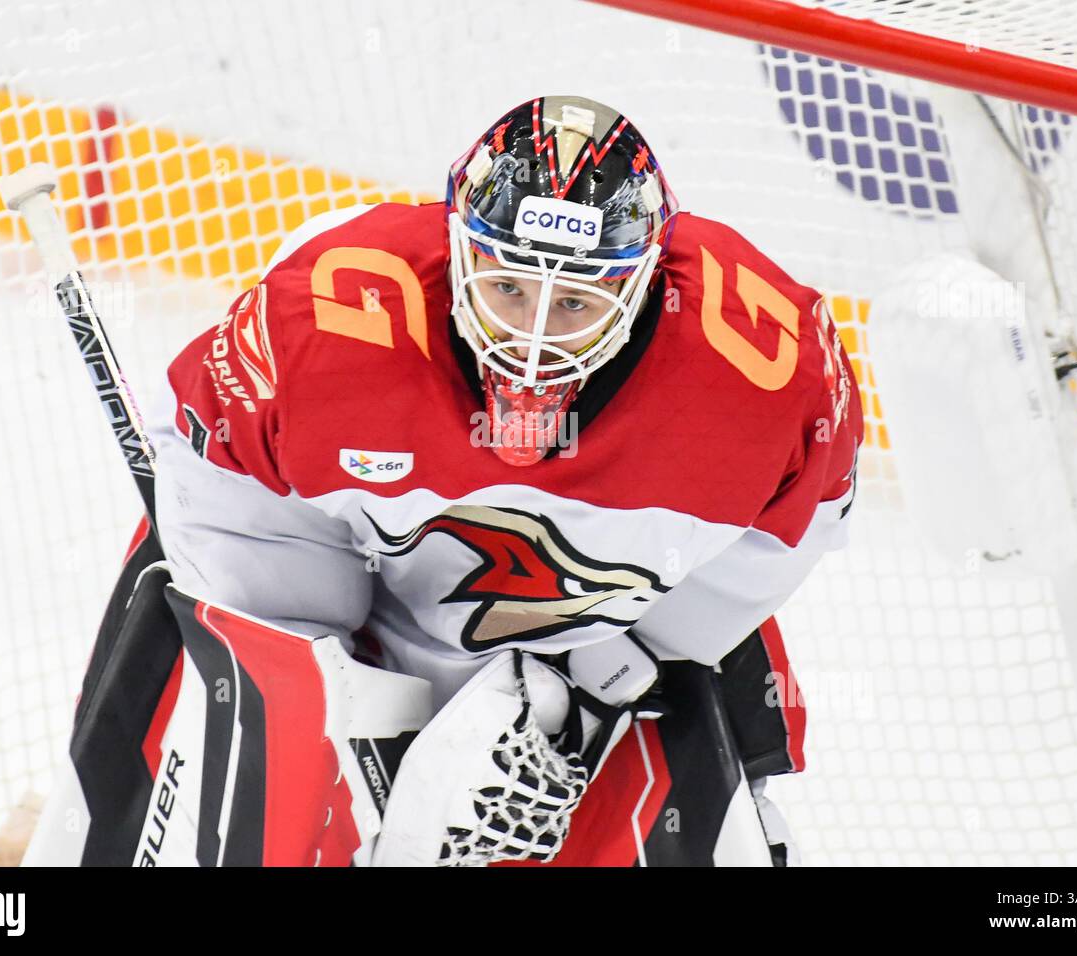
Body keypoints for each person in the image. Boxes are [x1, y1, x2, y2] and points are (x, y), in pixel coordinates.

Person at [148, 94, 863, 865]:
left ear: (643, 287)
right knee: (265, 787)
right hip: (371, 599)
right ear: (458, 251)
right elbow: (218, 462)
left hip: (619, 652)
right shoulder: (326, 320)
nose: (532, 339)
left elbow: (792, 528)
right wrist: (324, 677)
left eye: (577, 302)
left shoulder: (763, 377)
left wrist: (605, 678)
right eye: (510, 287)